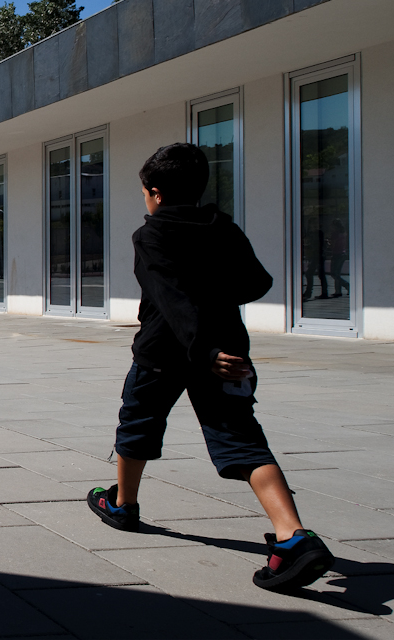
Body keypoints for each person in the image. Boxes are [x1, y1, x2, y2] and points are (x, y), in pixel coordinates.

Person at [87, 143, 333, 591]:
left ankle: (123, 505)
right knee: (242, 438)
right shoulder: (223, 227)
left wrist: (199, 345)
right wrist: (214, 301)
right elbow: (258, 282)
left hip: (166, 352)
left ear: (155, 193)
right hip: (227, 352)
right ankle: (293, 536)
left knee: (139, 422)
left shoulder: (153, 233)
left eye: (145, 192)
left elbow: (170, 297)